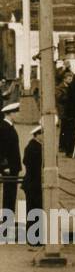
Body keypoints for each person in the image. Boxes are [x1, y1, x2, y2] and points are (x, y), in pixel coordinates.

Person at [0, 103, 20, 242]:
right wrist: (4, 165)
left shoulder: (9, 127)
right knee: (9, 195)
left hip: (12, 166)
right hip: (9, 168)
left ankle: (8, 222)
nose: (17, 114)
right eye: (16, 112)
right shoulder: (4, 128)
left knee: (11, 195)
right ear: (10, 113)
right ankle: (6, 224)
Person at [22, 126, 42, 246]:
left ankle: (34, 237)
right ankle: (34, 238)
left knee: (33, 210)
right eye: (42, 134)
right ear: (37, 135)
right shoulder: (35, 148)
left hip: (31, 183)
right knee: (35, 210)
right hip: (34, 184)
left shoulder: (32, 146)